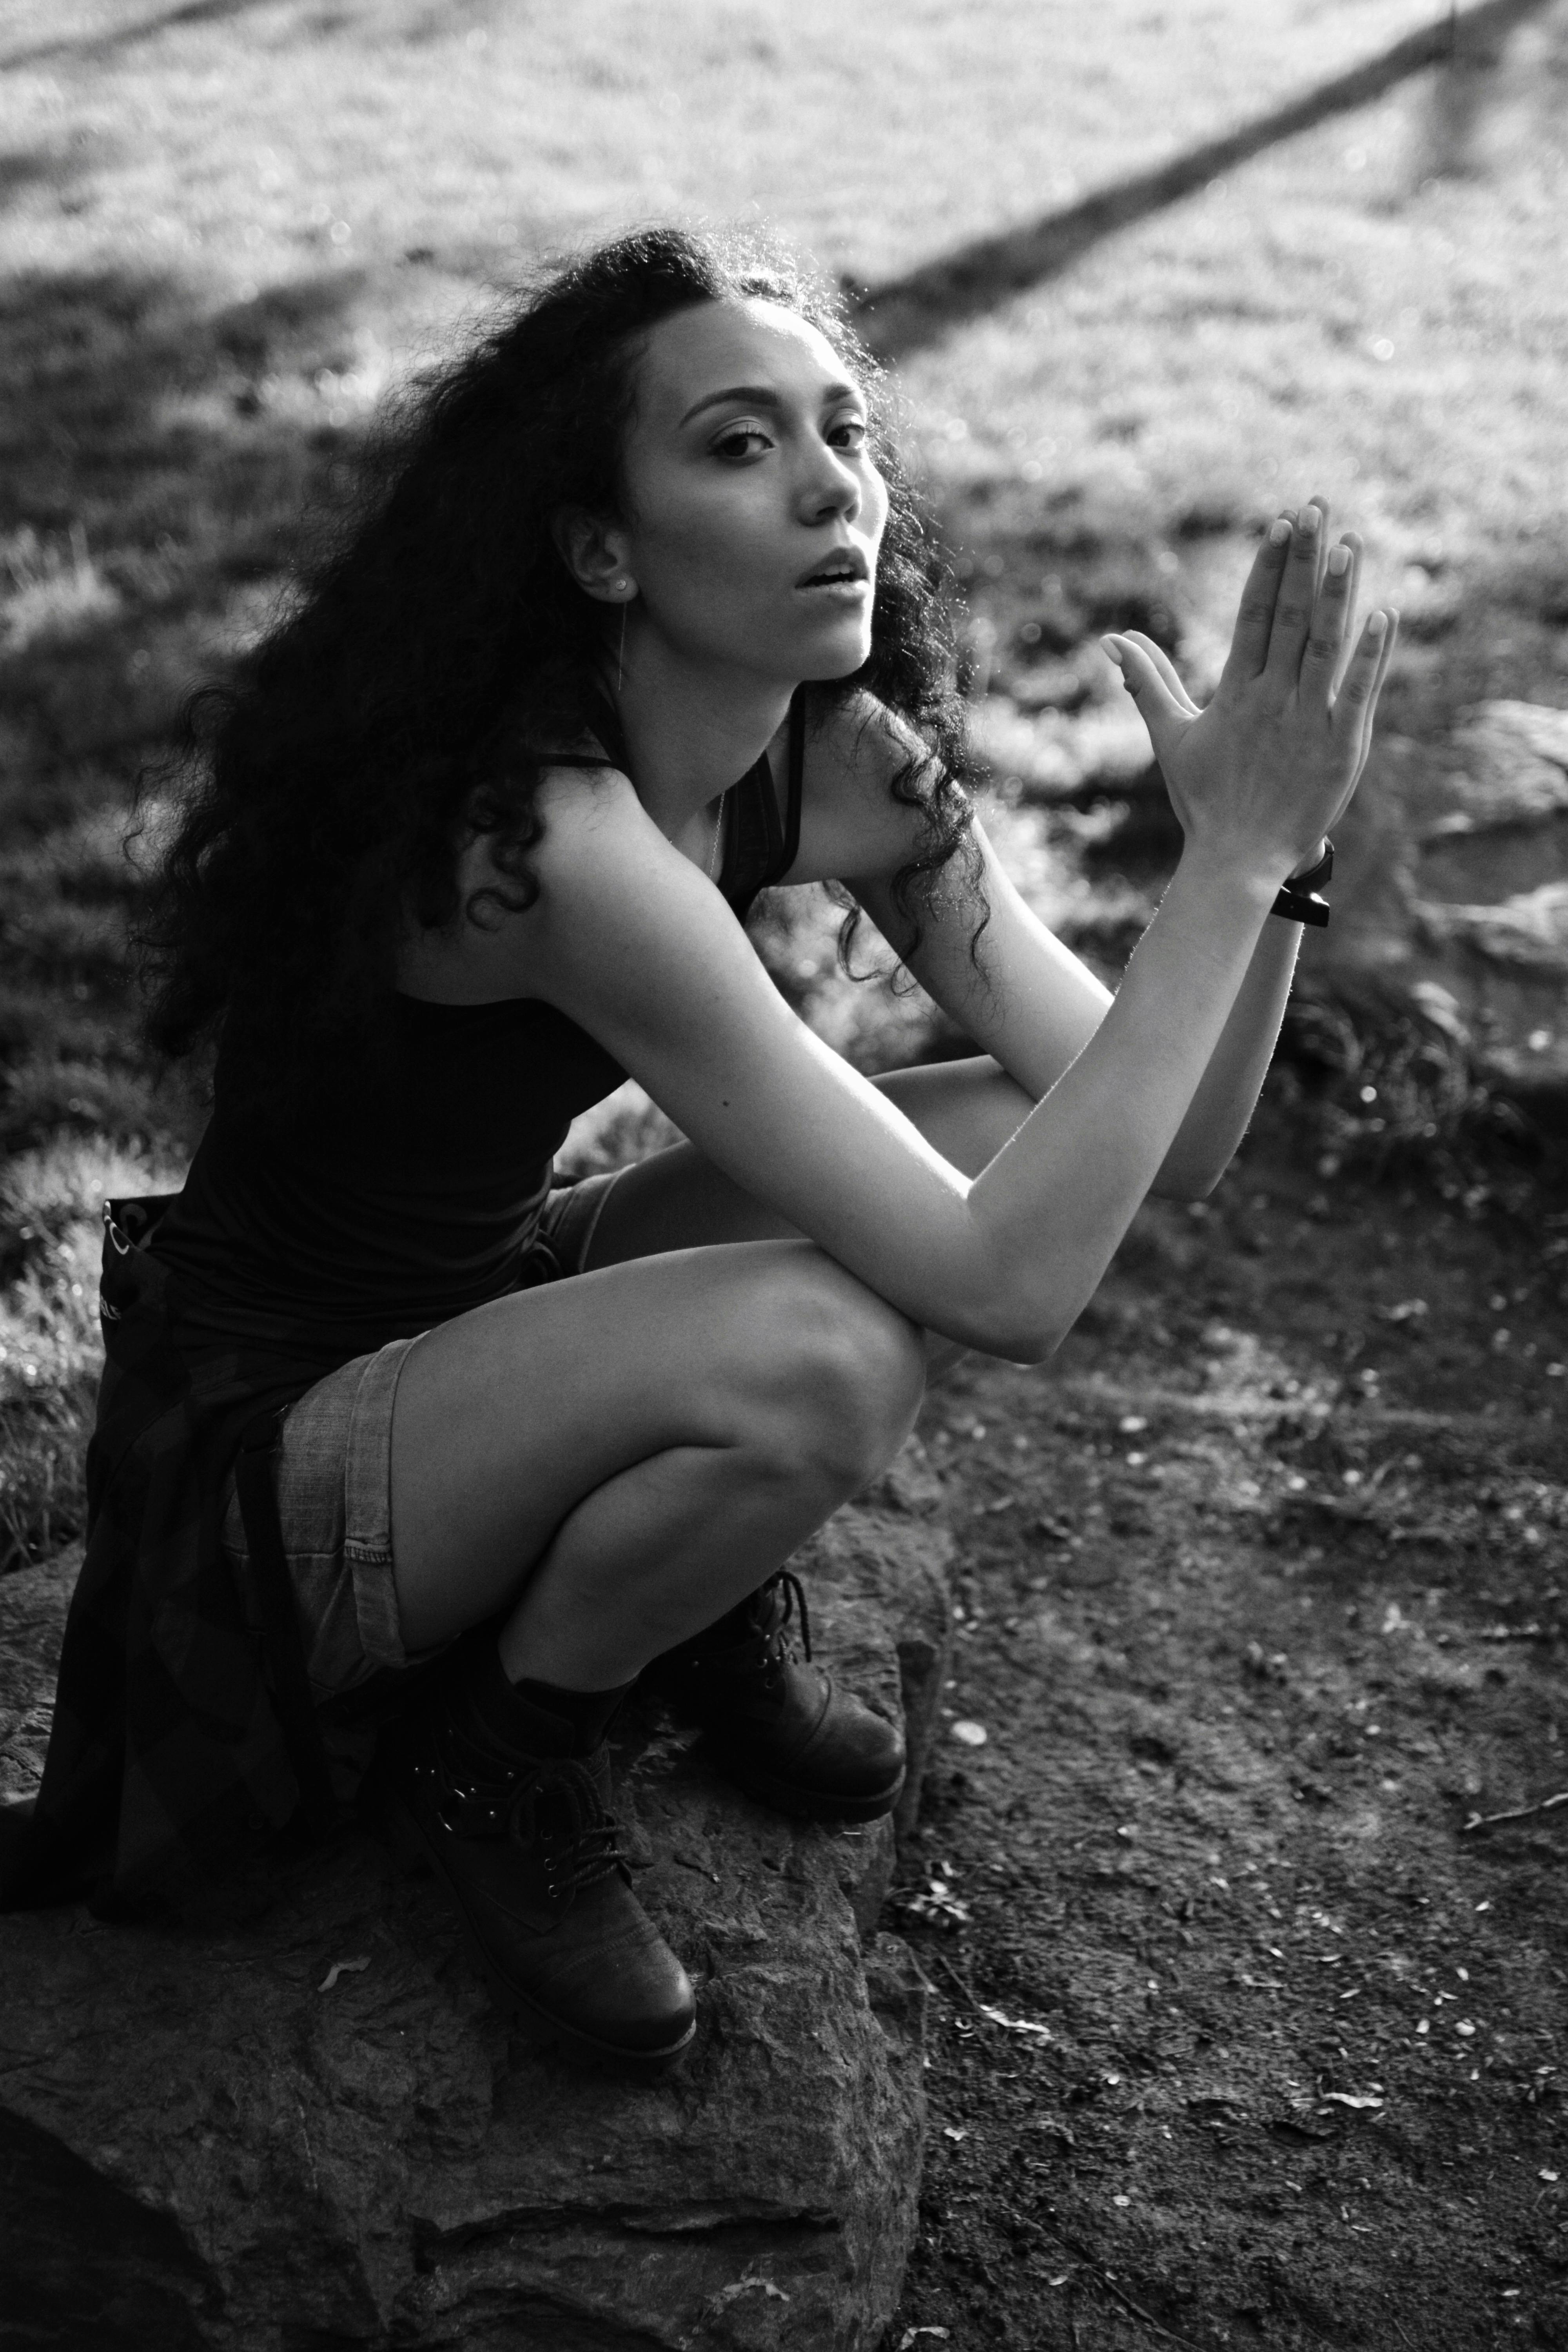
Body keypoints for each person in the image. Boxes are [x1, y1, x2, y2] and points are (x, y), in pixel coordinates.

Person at [9, 227, 1394, 2078]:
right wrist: (1221, 865)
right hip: (276, 1457)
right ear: (602, 548)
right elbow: (1008, 1289)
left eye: (844, 432)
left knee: (1026, 1132)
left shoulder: (833, 762)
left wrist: (1277, 861)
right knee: (832, 1355)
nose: (833, 490)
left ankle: (668, 1592)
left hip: (484, 1307)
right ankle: (506, 1746)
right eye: (739, 445)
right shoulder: (549, 844)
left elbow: (1176, 1146)